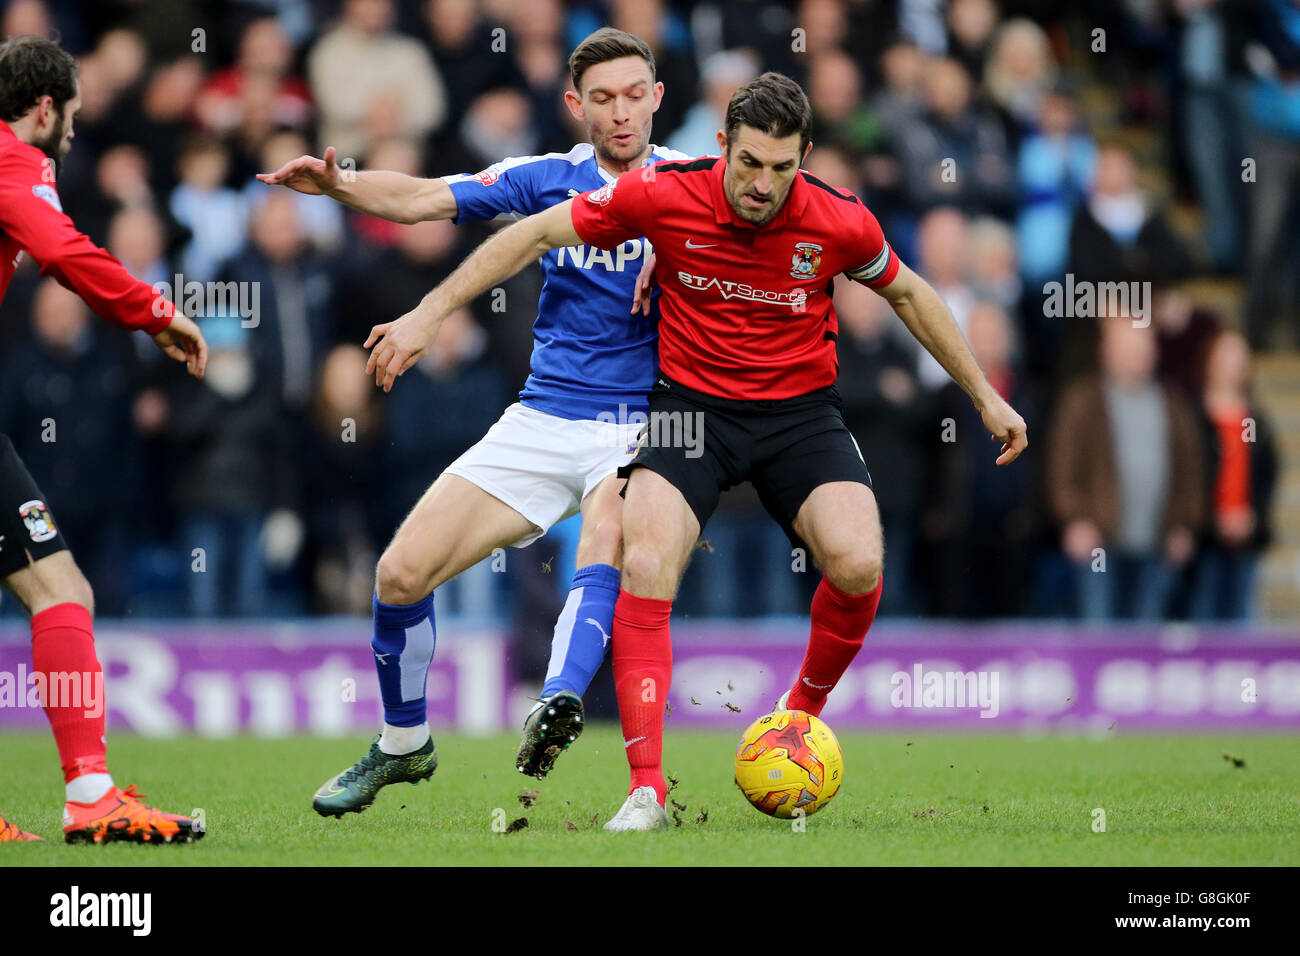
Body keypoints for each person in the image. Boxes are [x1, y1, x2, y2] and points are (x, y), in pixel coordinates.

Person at [362, 72, 1028, 830]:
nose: (762, 185)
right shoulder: (663, 193)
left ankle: (795, 715)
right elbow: (537, 232)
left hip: (799, 416)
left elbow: (909, 293)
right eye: (749, 163)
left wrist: (985, 396)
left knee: (859, 561)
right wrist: (427, 312)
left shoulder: (838, 221)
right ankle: (646, 788)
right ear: (723, 148)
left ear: (804, 158)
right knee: (647, 561)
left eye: (781, 169)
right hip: (692, 413)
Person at [259, 28, 688, 812]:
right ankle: (402, 745)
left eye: (635, 95)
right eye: (602, 98)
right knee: (399, 573)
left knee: (607, 533)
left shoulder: (699, 185)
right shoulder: (545, 178)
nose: (621, 113)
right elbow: (428, 197)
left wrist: (691, 252)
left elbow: (785, 218)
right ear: (575, 105)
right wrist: (342, 186)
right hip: (543, 415)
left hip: (643, 420)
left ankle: (558, 698)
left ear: (657, 97)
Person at [0, 35, 207, 843]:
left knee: (61, 589)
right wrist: (155, 312)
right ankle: (90, 796)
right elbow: (63, 250)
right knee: (62, 592)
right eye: (74, 117)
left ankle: (93, 793)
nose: (75, 134)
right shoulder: (17, 161)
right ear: (45, 108)